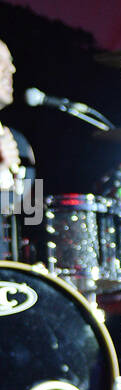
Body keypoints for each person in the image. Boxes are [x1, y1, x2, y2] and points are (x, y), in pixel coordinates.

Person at [0, 39, 37, 259]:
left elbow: (35, 213)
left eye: (11, 62)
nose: (11, 69)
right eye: (0, 62)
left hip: (10, 277)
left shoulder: (20, 145)